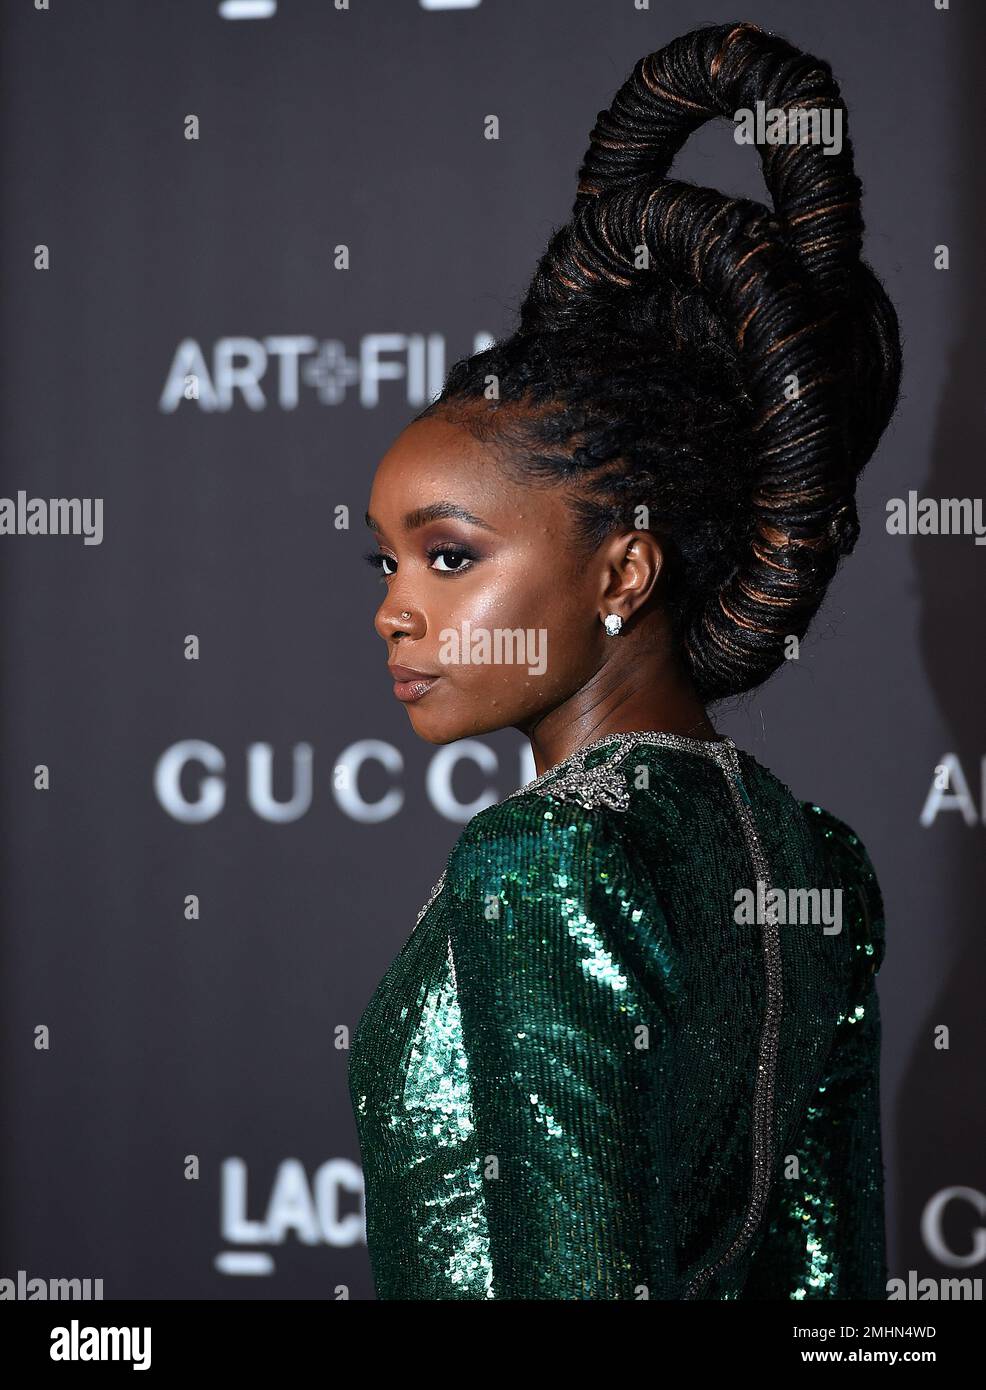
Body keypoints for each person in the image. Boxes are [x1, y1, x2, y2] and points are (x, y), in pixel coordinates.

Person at [348, 19, 901, 1300]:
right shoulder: (820, 860)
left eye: (446, 556)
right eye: (383, 563)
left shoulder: (542, 860)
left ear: (620, 572)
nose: (393, 610)